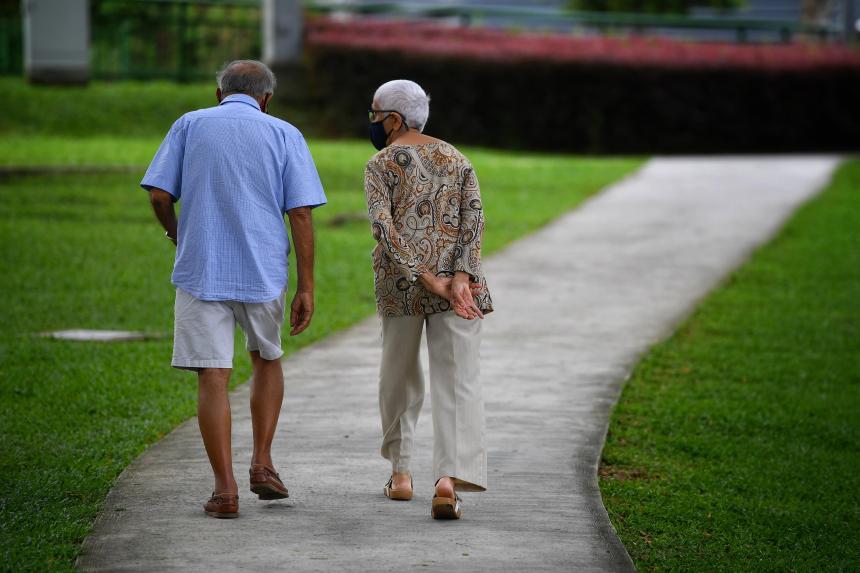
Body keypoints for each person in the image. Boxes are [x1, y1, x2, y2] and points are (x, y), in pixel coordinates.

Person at [141, 60, 326, 519]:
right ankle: (262, 462)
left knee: (213, 375)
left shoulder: (189, 124)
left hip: (201, 269)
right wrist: (306, 286)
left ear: (218, 92)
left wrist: (177, 235)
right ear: (266, 99)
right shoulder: (284, 133)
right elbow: (300, 213)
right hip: (263, 269)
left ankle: (224, 491)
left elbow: (159, 196)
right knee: (266, 358)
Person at [364, 79, 493, 520]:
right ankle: (446, 482)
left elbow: (384, 227)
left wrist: (423, 277)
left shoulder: (380, 164)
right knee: (458, 379)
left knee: (397, 374)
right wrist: (458, 277)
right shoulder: (457, 159)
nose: (373, 123)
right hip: (459, 290)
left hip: (401, 286)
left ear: (394, 120)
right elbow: (474, 220)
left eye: (375, 115)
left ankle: (401, 475)